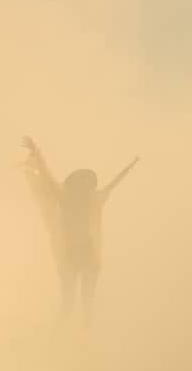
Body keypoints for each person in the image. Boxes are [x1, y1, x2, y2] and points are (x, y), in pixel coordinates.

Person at [20, 136, 138, 326]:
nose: (84, 186)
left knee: (84, 302)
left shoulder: (90, 199)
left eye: (86, 183)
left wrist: (130, 167)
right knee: (71, 300)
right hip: (74, 254)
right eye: (81, 183)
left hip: (86, 254)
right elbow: (47, 177)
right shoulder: (68, 197)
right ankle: (68, 332)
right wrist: (36, 154)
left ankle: (80, 335)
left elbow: (114, 183)